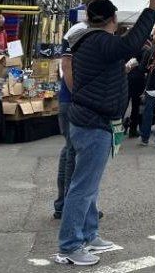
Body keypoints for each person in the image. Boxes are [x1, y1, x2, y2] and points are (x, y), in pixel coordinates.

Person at [55, 0, 155, 266]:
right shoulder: (101, 41)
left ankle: (89, 235)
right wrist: (151, 11)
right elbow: (132, 44)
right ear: (112, 19)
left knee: (88, 185)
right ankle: (69, 246)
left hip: (89, 119)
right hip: (93, 123)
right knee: (83, 187)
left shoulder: (91, 41)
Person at [53, 22, 88, 220]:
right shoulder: (78, 31)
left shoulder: (81, 30)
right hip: (72, 101)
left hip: (71, 100)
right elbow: (67, 66)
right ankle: (67, 204)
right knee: (72, 152)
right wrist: (78, 95)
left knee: (70, 151)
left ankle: (65, 203)